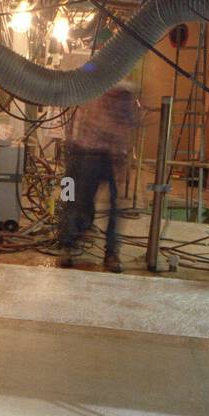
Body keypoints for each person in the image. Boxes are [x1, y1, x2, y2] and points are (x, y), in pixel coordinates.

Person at [58, 71, 139, 274]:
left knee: (114, 206)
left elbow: (128, 126)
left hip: (108, 153)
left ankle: (109, 252)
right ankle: (69, 243)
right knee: (78, 201)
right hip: (87, 150)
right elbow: (89, 121)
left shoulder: (126, 93)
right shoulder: (97, 86)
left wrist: (122, 158)